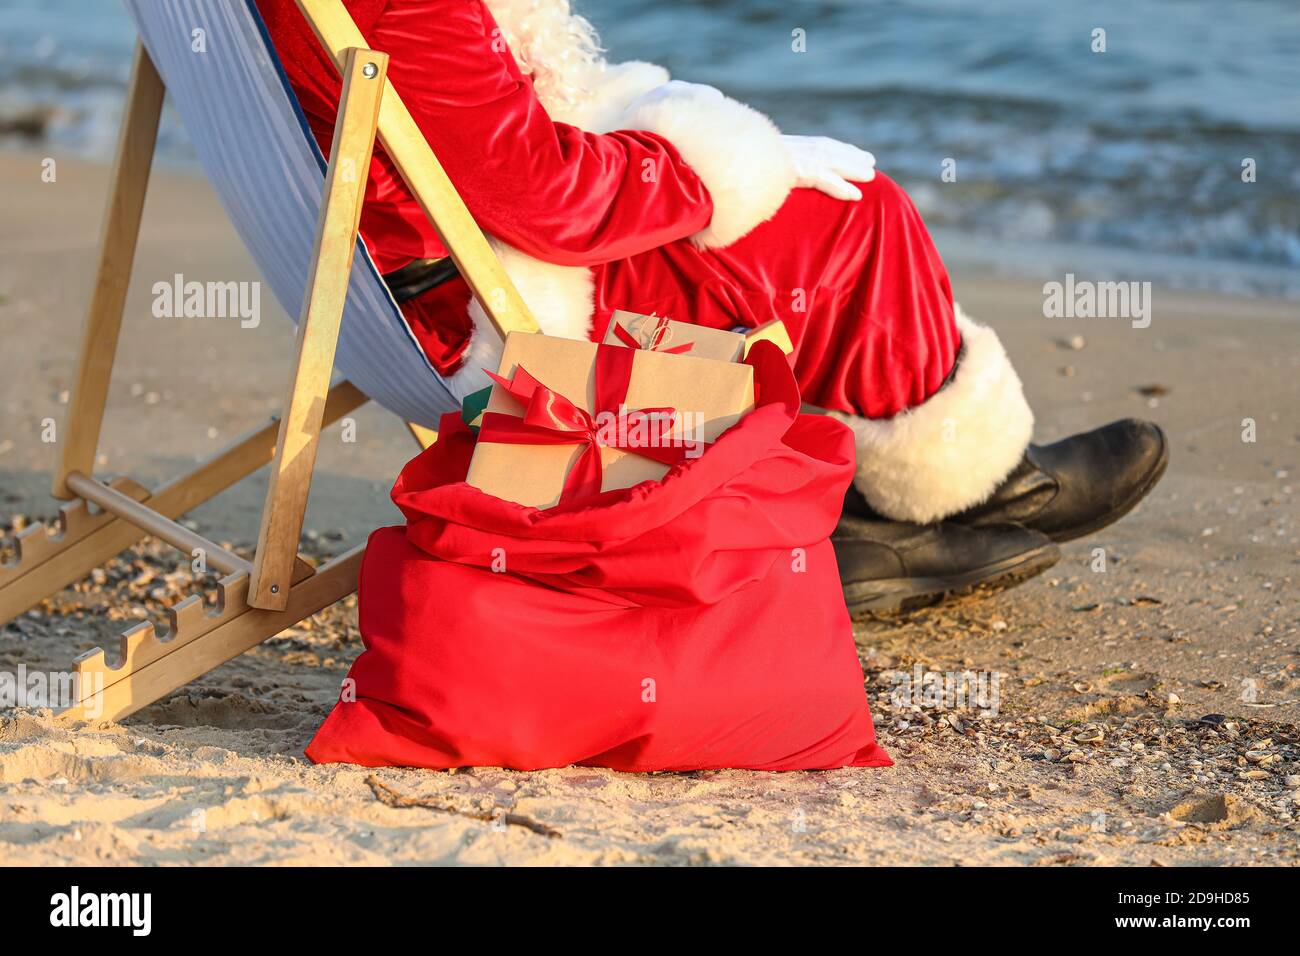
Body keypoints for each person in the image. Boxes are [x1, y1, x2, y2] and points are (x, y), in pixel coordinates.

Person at [257, 0, 1168, 612]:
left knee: (807, 197)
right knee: (854, 221)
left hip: (388, 286)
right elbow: (541, 195)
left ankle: (885, 503)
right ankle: (936, 493)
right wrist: (726, 165)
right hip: (484, 313)